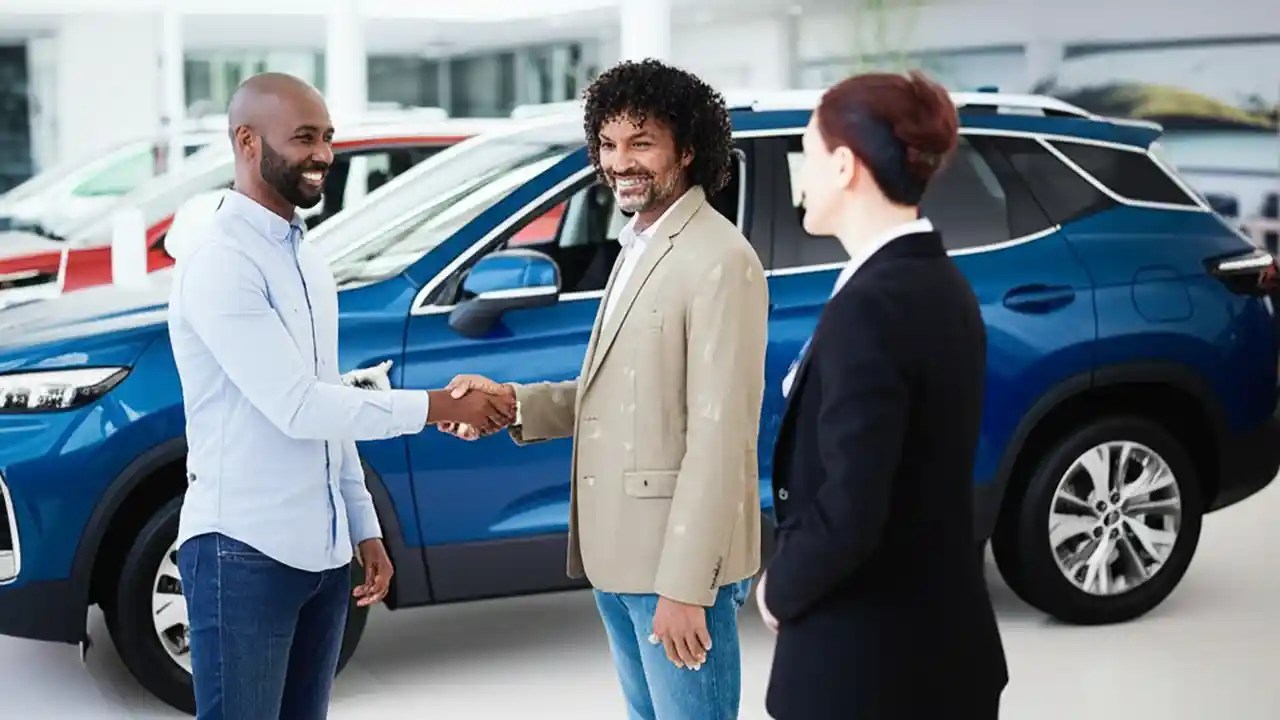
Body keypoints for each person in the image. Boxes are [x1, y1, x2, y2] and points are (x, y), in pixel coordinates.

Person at [167, 72, 515, 719]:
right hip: (243, 552)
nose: (324, 154)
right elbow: (298, 406)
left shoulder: (305, 255)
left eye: (328, 137)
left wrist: (362, 526)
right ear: (247, 141)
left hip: (322, 558)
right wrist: (439, 406)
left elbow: (330, 395)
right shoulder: (221, 260)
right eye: (304, 137)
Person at [441, 59, 769, 720]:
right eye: (610, 144)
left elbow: (719, 438)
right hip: (622, 557)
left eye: (641, 143)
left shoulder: (718, 259)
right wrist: (511, 404)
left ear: (688, 149)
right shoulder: (640, 245)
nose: (620, 162)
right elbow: (625, 394)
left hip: (674, 569)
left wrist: (685, 587)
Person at [755, 70, 1009, 719]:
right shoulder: (941, 286)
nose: (802, 176)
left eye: (807, 156)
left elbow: (853, 508)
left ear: (844, 167)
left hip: (870, 671)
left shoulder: (872, 307)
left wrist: (779, 589)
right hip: (943, 649)